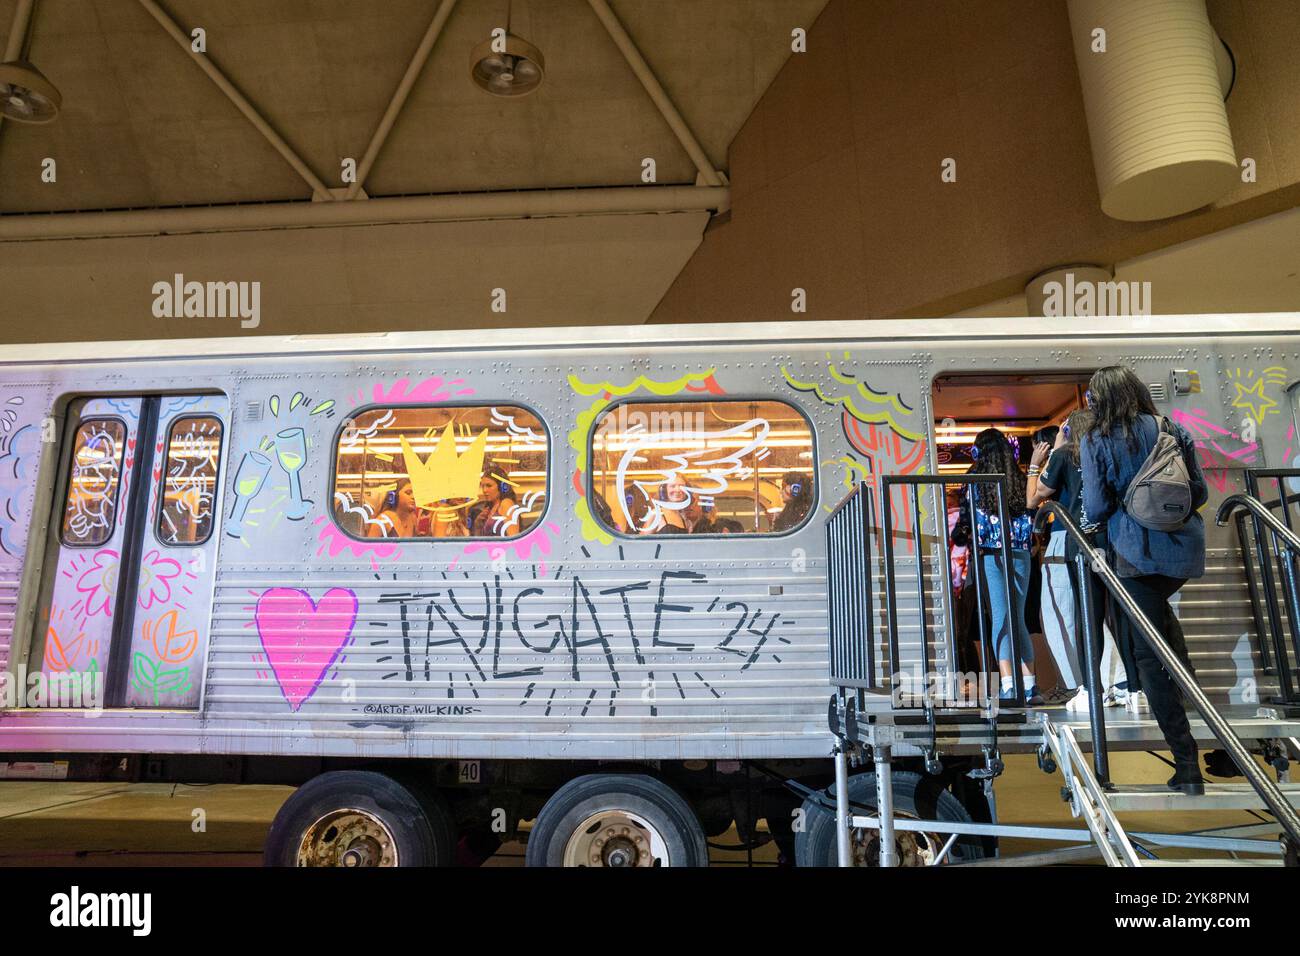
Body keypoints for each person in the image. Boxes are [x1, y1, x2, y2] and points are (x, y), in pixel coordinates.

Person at [1080, 365, 1208, 795]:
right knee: (1161, 632)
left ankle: (1187, 764)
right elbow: (1201, 493)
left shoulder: (1096, 439)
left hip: (1135, 558)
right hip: (1181, 554)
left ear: (1098, 401)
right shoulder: (1169, 427)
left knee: (1149, 657)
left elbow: (1096, 509)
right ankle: (1198, 708)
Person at [966, 428, 1039, 704]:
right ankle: (1030, 684)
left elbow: (967, 520)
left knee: (1000, 617)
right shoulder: (1019, 478)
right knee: (1017, 618)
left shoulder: (975, 478)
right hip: (1021, 552)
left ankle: (1009, 684)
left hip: (990, 553)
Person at [471, 470, 518, 537]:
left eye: (489, 486)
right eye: (482, 486)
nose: (484, 490)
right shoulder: (488, 508)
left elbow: (513, 538)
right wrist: (478, 525)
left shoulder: (506, 504)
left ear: (501, 486)